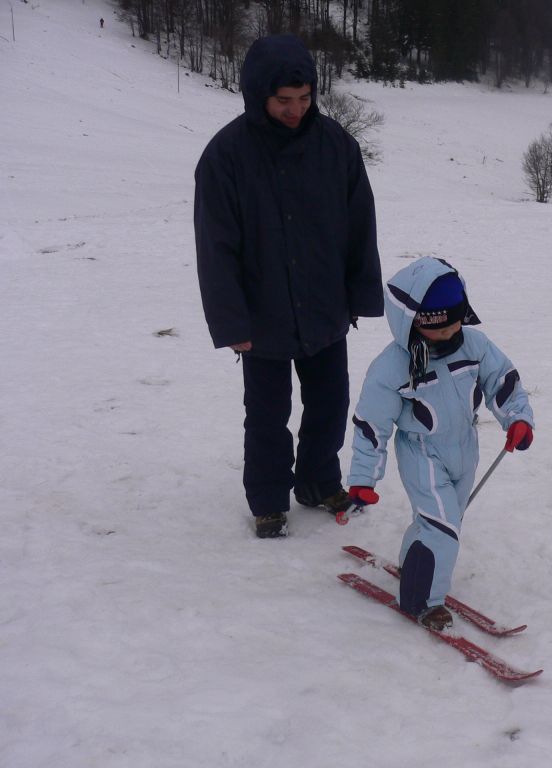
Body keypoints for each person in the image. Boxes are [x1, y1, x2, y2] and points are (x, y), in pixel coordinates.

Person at [194, 34, 383, 539]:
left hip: (324, 306)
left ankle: (319, 482)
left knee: (330, 404)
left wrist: (361, 294)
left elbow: (359, 223)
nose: (296, 110)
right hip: (262, 314)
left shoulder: (336, 145)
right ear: (258, 95)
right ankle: (269, 499)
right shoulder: (226, 156)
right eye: (283, 101)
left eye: (304, 99)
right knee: (267, 414)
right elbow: (216, 248)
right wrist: (231, 321)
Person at [343, 257, 534, 630]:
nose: (449, 335)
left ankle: (416, 568)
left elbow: (503, 380)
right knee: (443, 527)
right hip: (422, 452)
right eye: (438, 329)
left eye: (454, 324)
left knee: (441, 521)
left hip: (465, 447)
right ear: (413, 323)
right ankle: (423, 602)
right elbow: (371, 425)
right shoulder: (393, 366)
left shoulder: (474, 345)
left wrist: (518, 418)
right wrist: (363, 479)